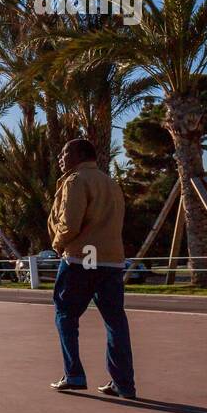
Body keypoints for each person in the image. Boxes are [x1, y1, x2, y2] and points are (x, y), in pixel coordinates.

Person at [47, 138, 137, 398]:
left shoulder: (76, 181)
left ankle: (73, 374)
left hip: (81, 259)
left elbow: (70, 222)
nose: (60, 158)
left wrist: (58, 242)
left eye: (64, 153)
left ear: (79, 154)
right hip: (111, 260)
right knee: (115, 320)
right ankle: (123, 383)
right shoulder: (111, 183)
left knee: (65, 314)